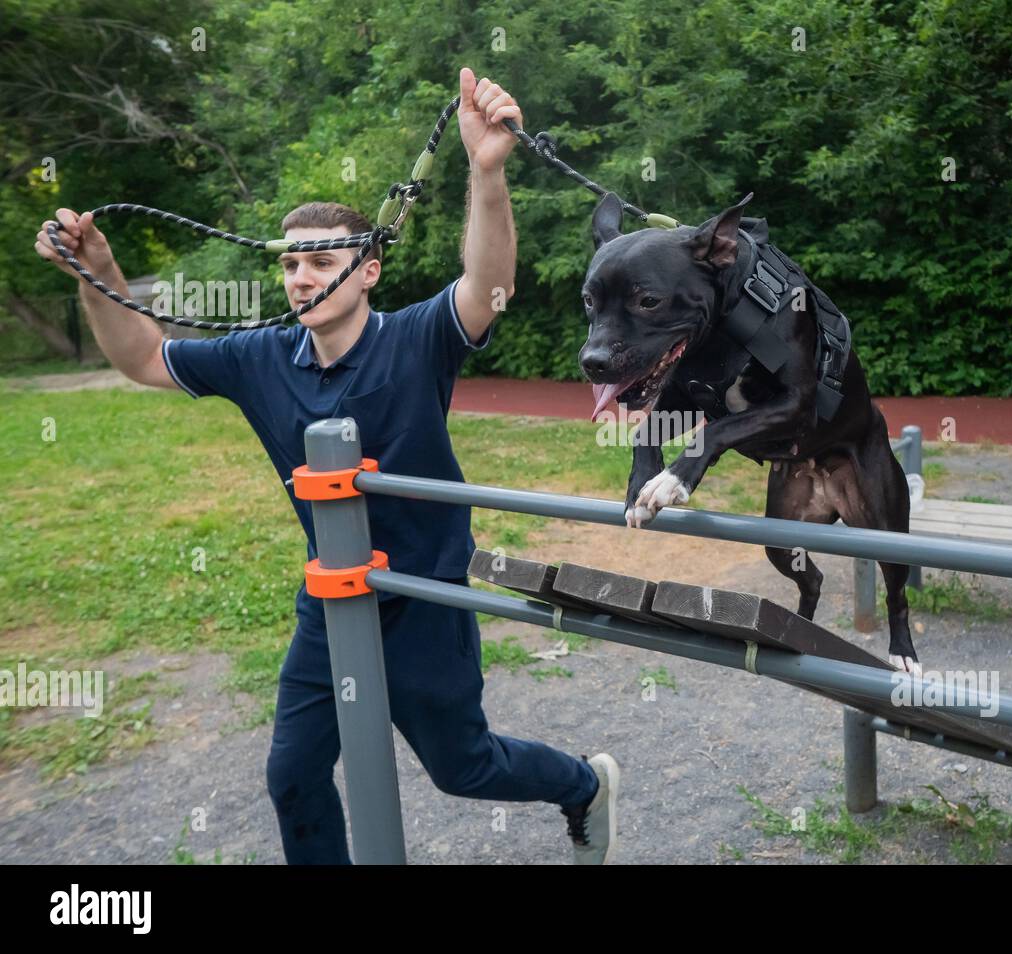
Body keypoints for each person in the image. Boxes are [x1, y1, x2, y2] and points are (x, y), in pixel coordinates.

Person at [34, 66, 619, 865]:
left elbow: (490, 285)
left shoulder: (415, 340)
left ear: (368, 270)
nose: (301, 277)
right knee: (293, 776)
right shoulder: (259, 357)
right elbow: (141, 358)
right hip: (332, 597)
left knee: (464, 768)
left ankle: (583, 784)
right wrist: (95, 274)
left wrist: (486, 173)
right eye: (289, 264)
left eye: (319, 261)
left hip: (423, 595)